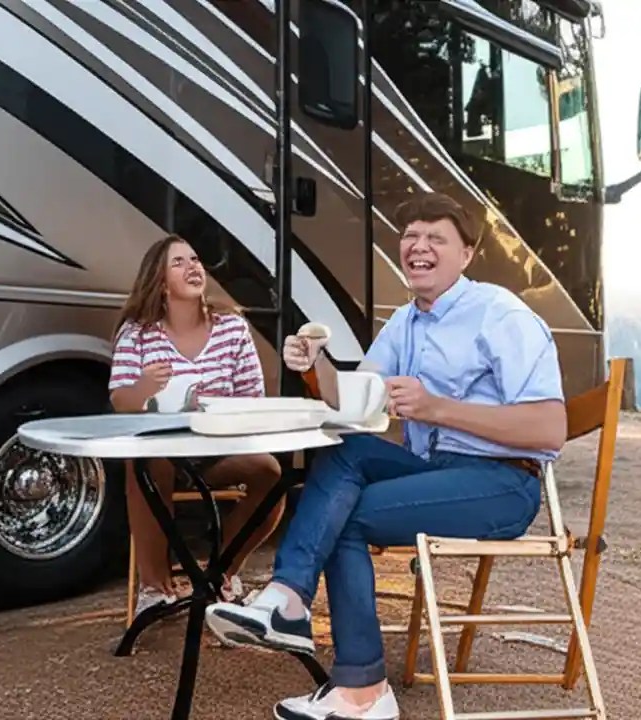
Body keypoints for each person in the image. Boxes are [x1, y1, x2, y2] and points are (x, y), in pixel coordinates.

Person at [203, 192, 568, 720]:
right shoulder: (405, 322)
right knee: (346, 450)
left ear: (467, 254)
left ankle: (362, 687)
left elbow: (549, 428)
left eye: (435, 237)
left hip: (503, 483)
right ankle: (288, 599)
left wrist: (438, 408)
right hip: (436, 472)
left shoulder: (501, 314)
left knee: (341, 517)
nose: (418, 247)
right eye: (410, 237)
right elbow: (355, 405)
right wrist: (315, 364)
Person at [109, 234, 284, 621]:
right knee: (143, 461)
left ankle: (220, 574)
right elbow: (121, 402)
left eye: (196, 259)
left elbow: (252, 399)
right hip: (161, 450)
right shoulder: (137, 332)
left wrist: (220, 410)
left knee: (271, 474)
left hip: (218, 447)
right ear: (158, 279)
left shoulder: (231, 328)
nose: (193, 267)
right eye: (179, 262)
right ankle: (155, 590)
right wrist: (144, 388)